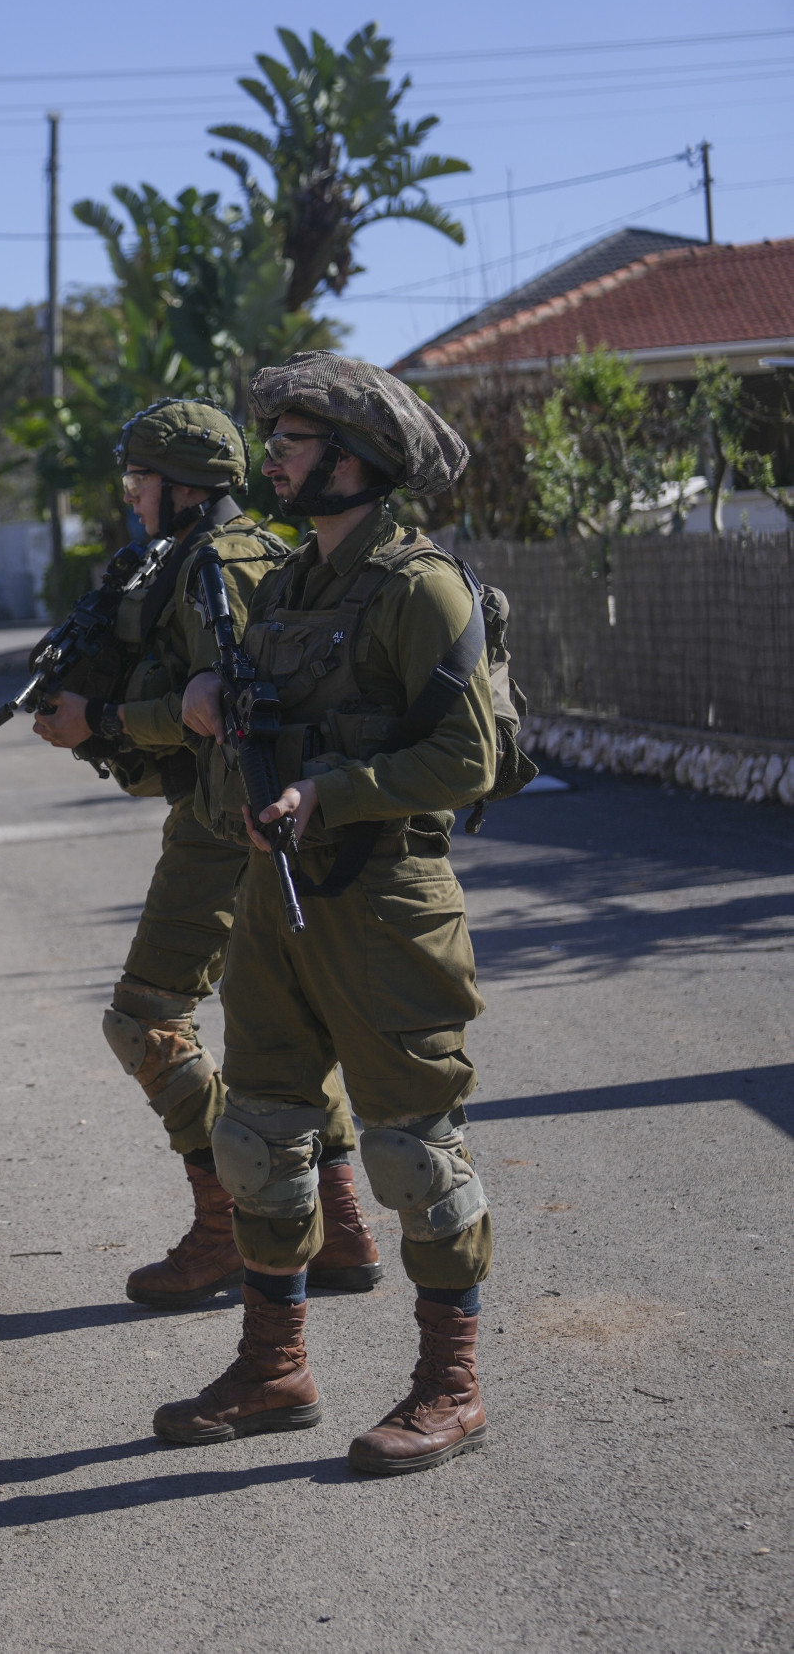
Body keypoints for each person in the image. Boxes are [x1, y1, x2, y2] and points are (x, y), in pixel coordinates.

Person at [158, 353, 498, 1475]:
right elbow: (257, 707)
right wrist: (205, 700)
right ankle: (274, 1366)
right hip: (276, 901)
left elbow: (467, 754)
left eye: (294, 443)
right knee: (257, 1135)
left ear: (355, 462)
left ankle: (449, 1384)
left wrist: (331, 791)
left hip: (384, 905)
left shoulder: (420, 587)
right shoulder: (290, 582)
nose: (274, 461)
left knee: (412, 1152)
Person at [28, 400, 380, 1310]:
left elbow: (213, 708)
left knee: (144, 1020)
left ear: (183, 486)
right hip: (268, 815)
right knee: (289, 1031)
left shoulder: (210, 568)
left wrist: (97, 720)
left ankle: (227, 1219)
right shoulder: (262, 551)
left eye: (140, 478)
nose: (131, 495)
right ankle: (339, 1223)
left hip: (226, 819)